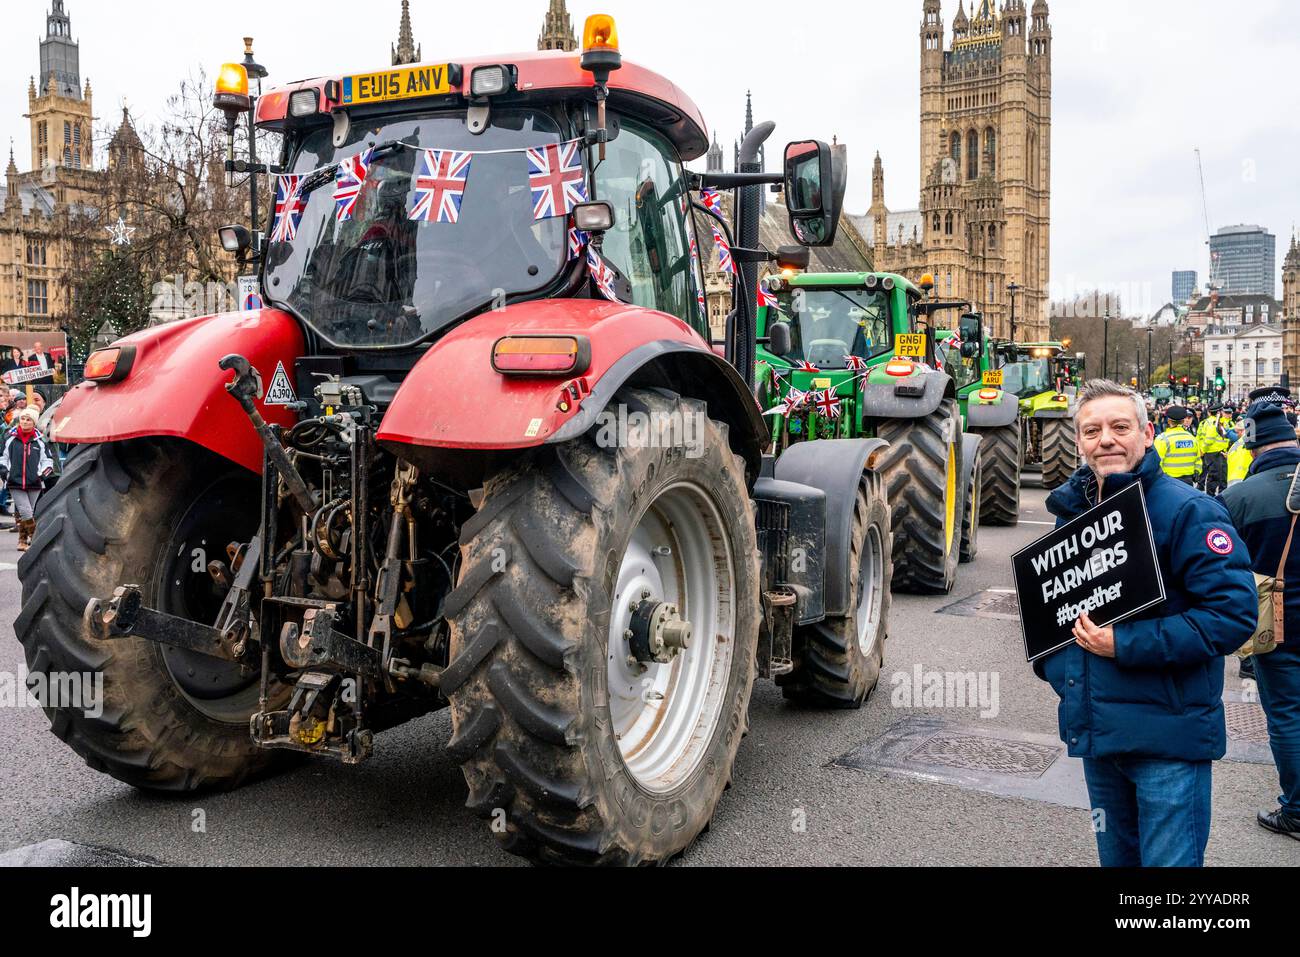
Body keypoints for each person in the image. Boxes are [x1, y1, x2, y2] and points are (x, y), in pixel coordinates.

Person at [1036, 380, 1257, 867]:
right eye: (1092, 431)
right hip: (1098, 736)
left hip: (1168, 743)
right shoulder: (1073, 514)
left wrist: (1124, 644)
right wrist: (1061, 676)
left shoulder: (1189, 510)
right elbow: (1053, 613)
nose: (1106, 440)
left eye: (1120, 427)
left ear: (1147, 432)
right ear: (1078, 442)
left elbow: (1232, 614)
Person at [1219, 402, 1300, 841]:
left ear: (1251, 444)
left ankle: (1297, 810)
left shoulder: (1238, 498)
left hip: (1280, 628)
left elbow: (1220, 568)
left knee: (1287, 715)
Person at [0, 406, 54, 551]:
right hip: (14, 482)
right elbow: (2, 457)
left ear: (34, 422)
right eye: (23, 418)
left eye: (28, 419)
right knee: (26, 512)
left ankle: (22, 542)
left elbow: (48, 461)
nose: (24, 422)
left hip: (34, 483)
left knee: (28, 512)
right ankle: (37, 541)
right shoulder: (10, 438)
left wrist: (42, 474)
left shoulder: (40, 440)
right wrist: (5, 472)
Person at [1154, 406, 1201, 484]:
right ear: (1183, 421)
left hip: (1169, 481)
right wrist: (1197, 471)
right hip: (1188, 481)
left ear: (1169, 421)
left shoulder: (1162, 439)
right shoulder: (1192, 438)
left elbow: (1157, 462)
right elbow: (1198, 460)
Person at [1196, 404, 1233, 495]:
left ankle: (1220, 494)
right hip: (1213, 453)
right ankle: (1211, 496)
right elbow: (1209, 438)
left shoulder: (1217, 421)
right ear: (1218, 412)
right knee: (1214, 476)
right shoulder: (1213, 422)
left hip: (1219, 452)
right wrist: (1203, 450)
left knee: (1221, 476)